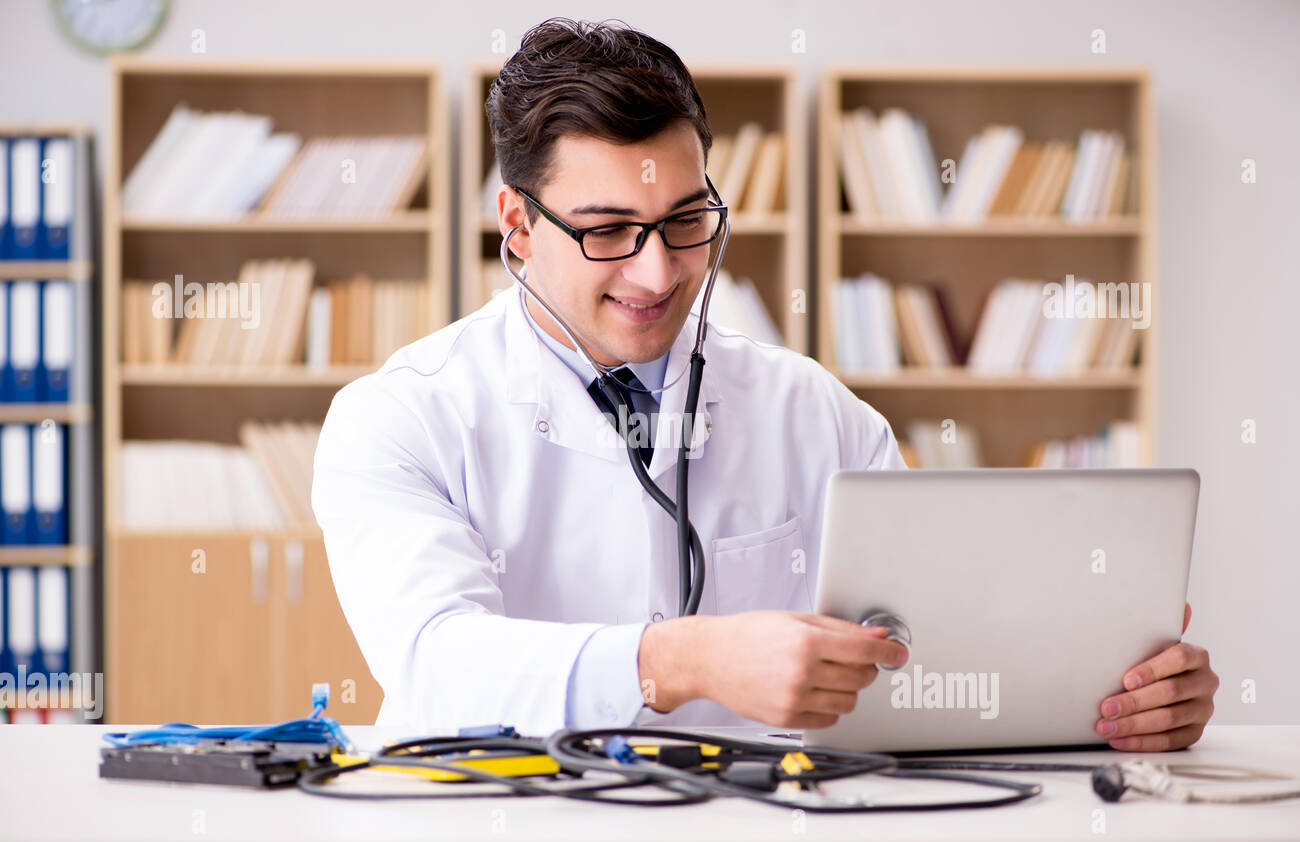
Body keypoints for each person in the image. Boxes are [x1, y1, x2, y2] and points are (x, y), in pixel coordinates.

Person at [311, 17, 1217, 750]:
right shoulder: (400, 418)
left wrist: (1117, 693)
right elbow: (436, 663)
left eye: (686, 219)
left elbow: (935, 650)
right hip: (496, 840)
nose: (659, 273)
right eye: (609, 229)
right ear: (516, 223)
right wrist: (680, 660)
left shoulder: (810, 408)